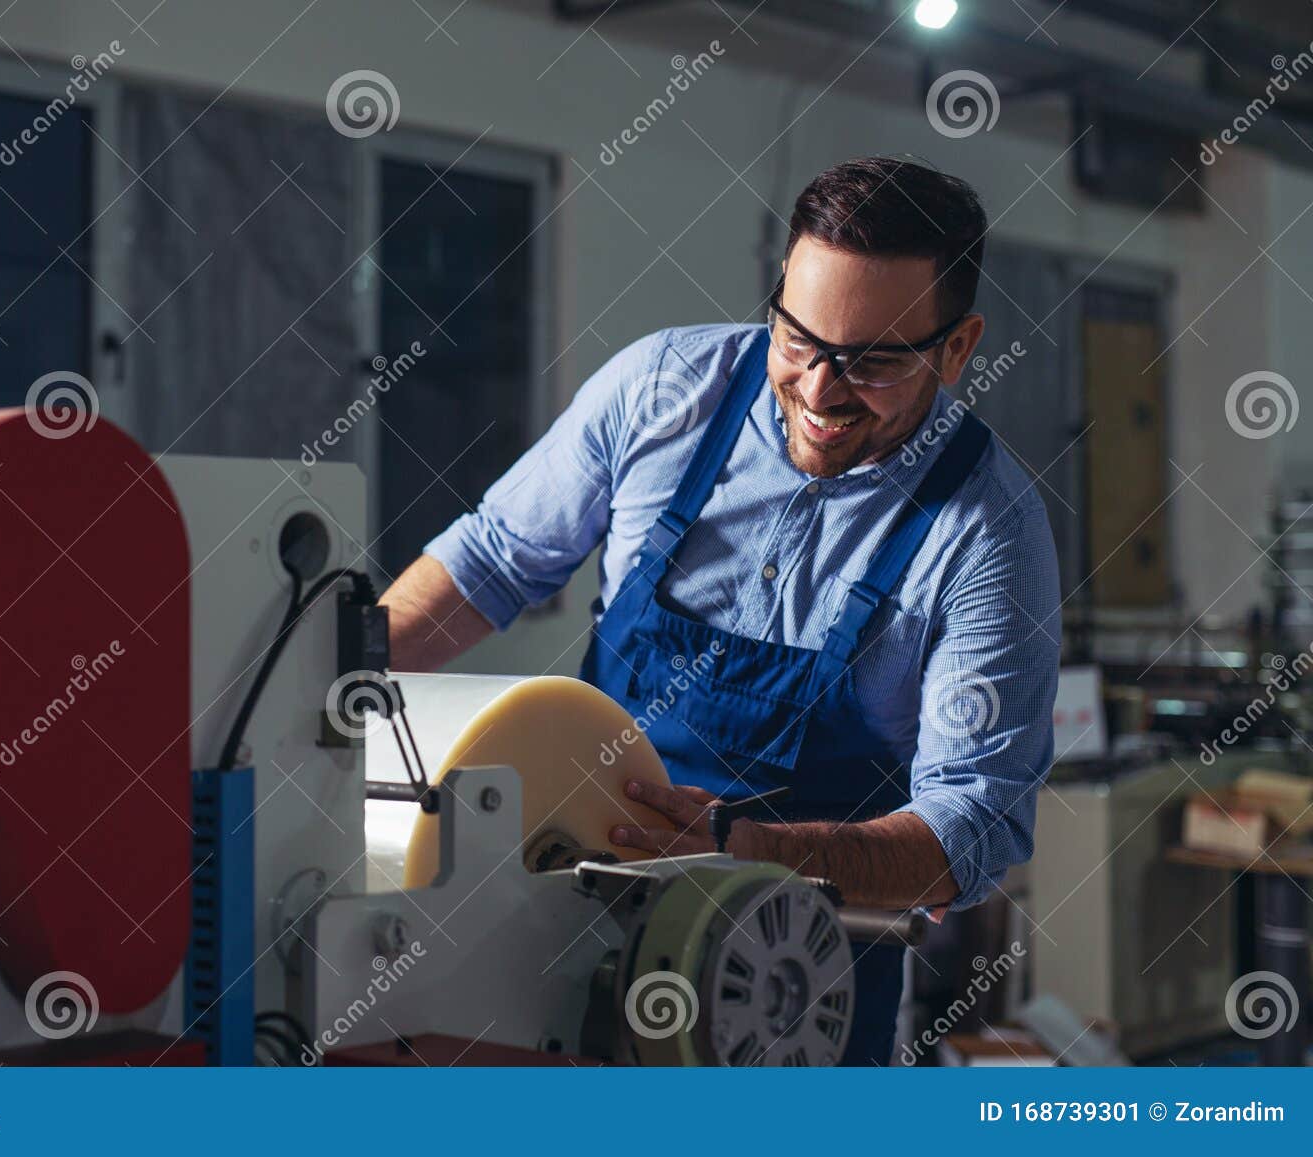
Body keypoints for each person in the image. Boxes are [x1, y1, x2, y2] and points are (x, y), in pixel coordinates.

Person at [379, 156, 1061, 1065]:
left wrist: (747, 848)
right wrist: (328, 687)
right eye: (798, 337)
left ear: (958, 346)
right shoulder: (664, 390)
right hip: (558, 951)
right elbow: (493, 561)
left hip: (790, 993)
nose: (821, 391)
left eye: (873, 361)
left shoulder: (989, 533)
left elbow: (972, 825)